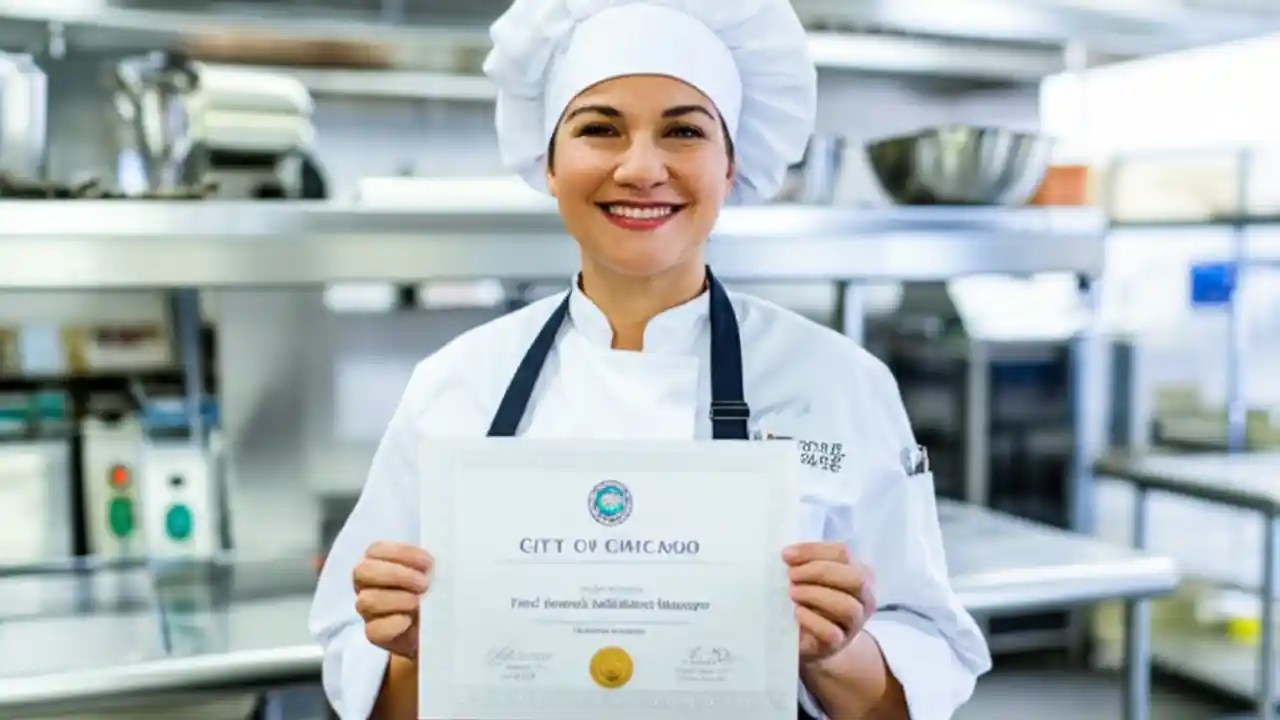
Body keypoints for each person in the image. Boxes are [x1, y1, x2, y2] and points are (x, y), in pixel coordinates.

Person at [308, 0, 992, 718]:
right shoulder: (455, 384)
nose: (640, 168)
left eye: (684, 130)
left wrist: (834, 652)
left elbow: (908, 695)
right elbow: (372, 692)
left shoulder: (839, 383)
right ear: (548, 162)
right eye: (600, 128)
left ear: (731, 165)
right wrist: (420, 653)